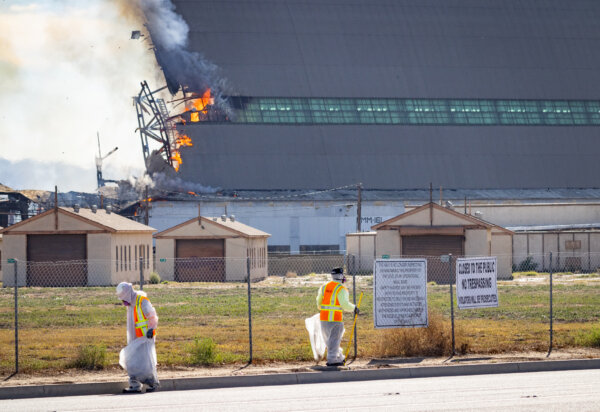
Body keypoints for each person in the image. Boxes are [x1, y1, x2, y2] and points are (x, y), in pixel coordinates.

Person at [116, 282, 159, 393]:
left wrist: (151, 329)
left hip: (145, 337)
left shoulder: (142, 301)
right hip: (135, 337)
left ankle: (152, 383)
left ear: (128, 294)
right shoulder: (131, 304)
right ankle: (135, 385)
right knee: (132, 360)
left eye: (124, 298)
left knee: (146, 362)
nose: (123, 302)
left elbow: (152, 316)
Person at [316, 267, 358, 366]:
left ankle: (339, 357)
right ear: (340, 276)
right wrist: (354, 308)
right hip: (335, 319)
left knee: (329, 341)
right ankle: (332, 359)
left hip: (324, 318)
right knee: (334, 340)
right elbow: (344, 304)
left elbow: (318, 303)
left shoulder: (324, 287)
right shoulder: (341, 289)